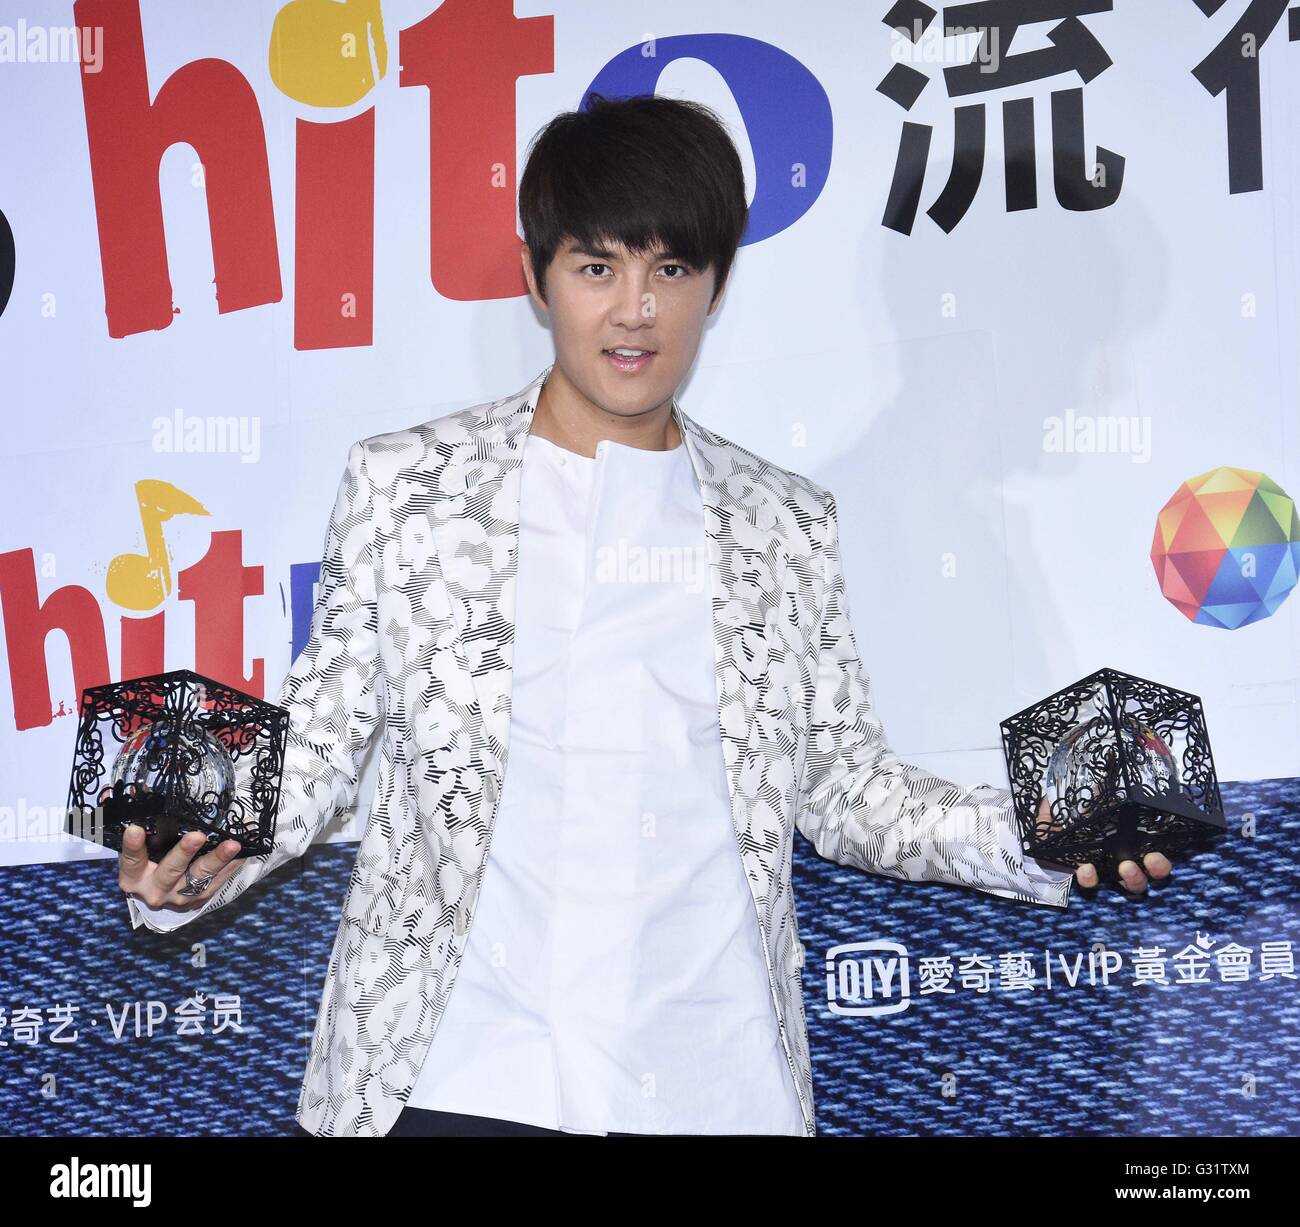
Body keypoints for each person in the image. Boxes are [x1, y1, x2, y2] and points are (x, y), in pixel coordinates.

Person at [117, 93, 1173, 1138]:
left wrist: (1034, 830)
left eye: (671, 269)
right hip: (464, 1075)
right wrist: (182, 861)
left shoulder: (784, 522)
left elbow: (846, 792)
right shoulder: (409, 487)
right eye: (597, 267)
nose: (636, 310)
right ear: (538, 277)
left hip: (711, 1080)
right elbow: (316, 750)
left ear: (714, 288)